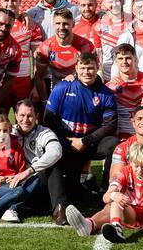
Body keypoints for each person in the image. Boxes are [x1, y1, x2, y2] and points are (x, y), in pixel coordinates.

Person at [44, 52, 117, 212]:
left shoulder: (106, 93)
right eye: (83, 68)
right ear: (76, 68)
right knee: (74, 194)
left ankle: (107, 193)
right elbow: (49, 120)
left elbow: (110, 125)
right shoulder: (62, 87)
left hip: (89, 144)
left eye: (90, 68)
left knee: (113, 145)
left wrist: (84, 141)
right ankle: (60, 206)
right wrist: (66, 142)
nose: (86, 72)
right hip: (66, 144)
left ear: (97, 67)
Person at [8, 99, 65, 221]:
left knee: (53, 165)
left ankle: (59, 210)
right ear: (16, 116)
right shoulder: (7, 132)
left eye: (30, 116)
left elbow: (56, 151)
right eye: (22, 115)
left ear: (36, 117)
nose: (25, 120)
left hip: (36, 179)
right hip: (12, 180)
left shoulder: (44, 132)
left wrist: (30, 171)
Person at [33, 8, 94, 100]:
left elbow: (94, 72)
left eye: (65, 24)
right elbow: (39, 77)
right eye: (58, 23)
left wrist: (75, 76)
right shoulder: (45, 48)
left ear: (73, 24)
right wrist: (45, 101)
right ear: (53, 25)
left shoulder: (86, 46)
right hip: (58, 95)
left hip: (83, 94)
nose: (61, 27)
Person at [0, 0, 44, 102]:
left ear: (20, 2)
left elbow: (37, 58)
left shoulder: (30, 25)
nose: (10, 4)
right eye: (6, 0)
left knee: (24, 117)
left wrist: (35, 86)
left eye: (14, 0)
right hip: (0, 80)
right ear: (1, 2)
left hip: (23, 80)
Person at [92, 0, 132, 81]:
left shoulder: (133, 21)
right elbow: (98, 52)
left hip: (130, 73)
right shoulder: (98, 25)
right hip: (108, 75)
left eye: (117, 1)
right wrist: (99, 71)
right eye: (110, 2)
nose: (114, 5)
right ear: (105, 3)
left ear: (123, 1)